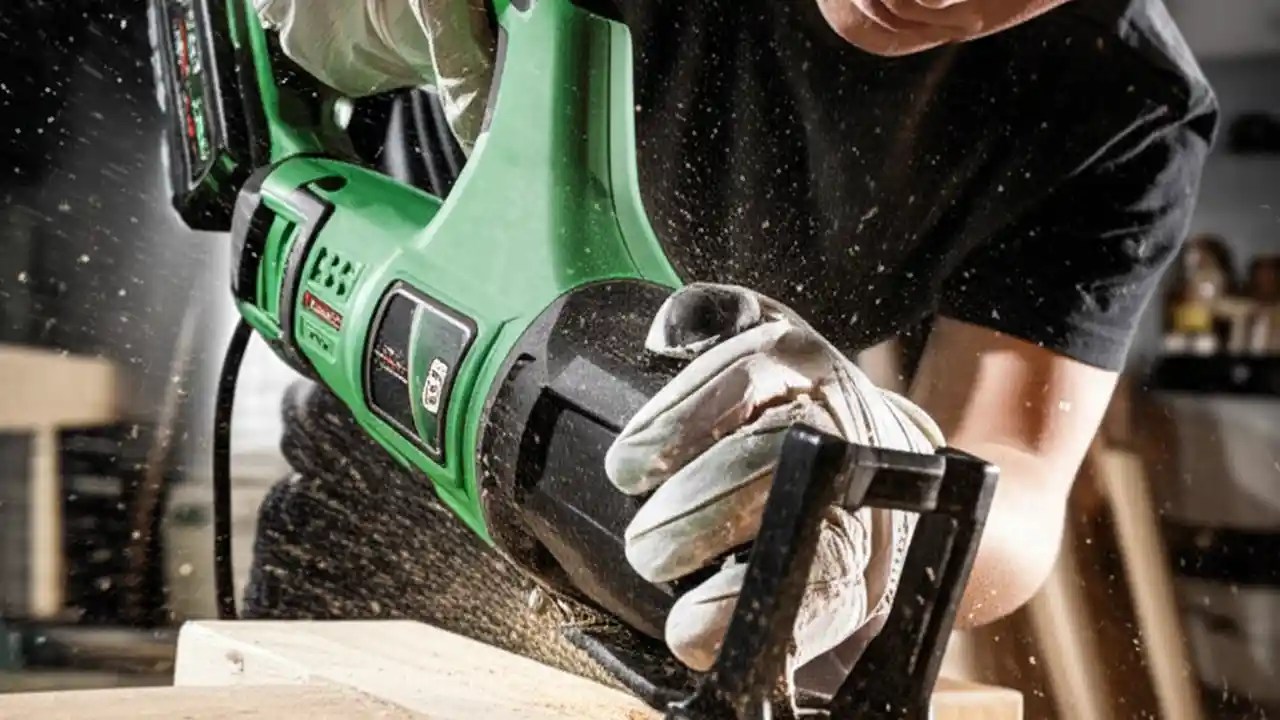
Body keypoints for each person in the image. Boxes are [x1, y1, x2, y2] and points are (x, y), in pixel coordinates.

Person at [243, 0, 1218, 710]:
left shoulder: (1116, 99)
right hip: (380, 511)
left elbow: (1015, 483)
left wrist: (880, 501)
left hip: (695, 585)